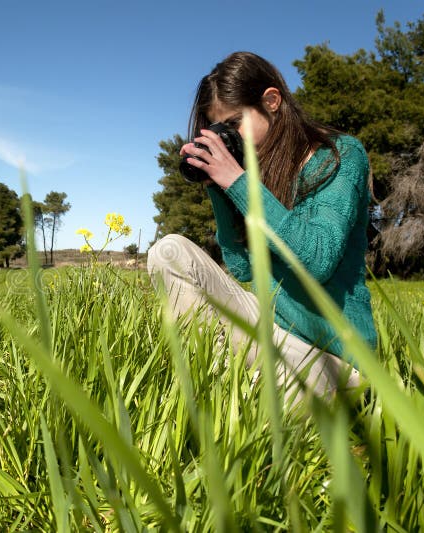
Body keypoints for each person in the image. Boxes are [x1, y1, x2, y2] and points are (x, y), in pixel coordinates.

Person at [147, 51, 377, 400]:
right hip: (270, 329)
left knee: (269, 401)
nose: (230, 137)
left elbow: (318, 259)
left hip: (334, 355)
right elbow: (241, 267)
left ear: (271, 101)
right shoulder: (255, 171)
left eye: (235, 123)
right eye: (218, 128)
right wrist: (220, 190)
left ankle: (245, 392)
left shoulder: (340, 155)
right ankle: (222, 381)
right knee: (168, 252)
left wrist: (238, 183)